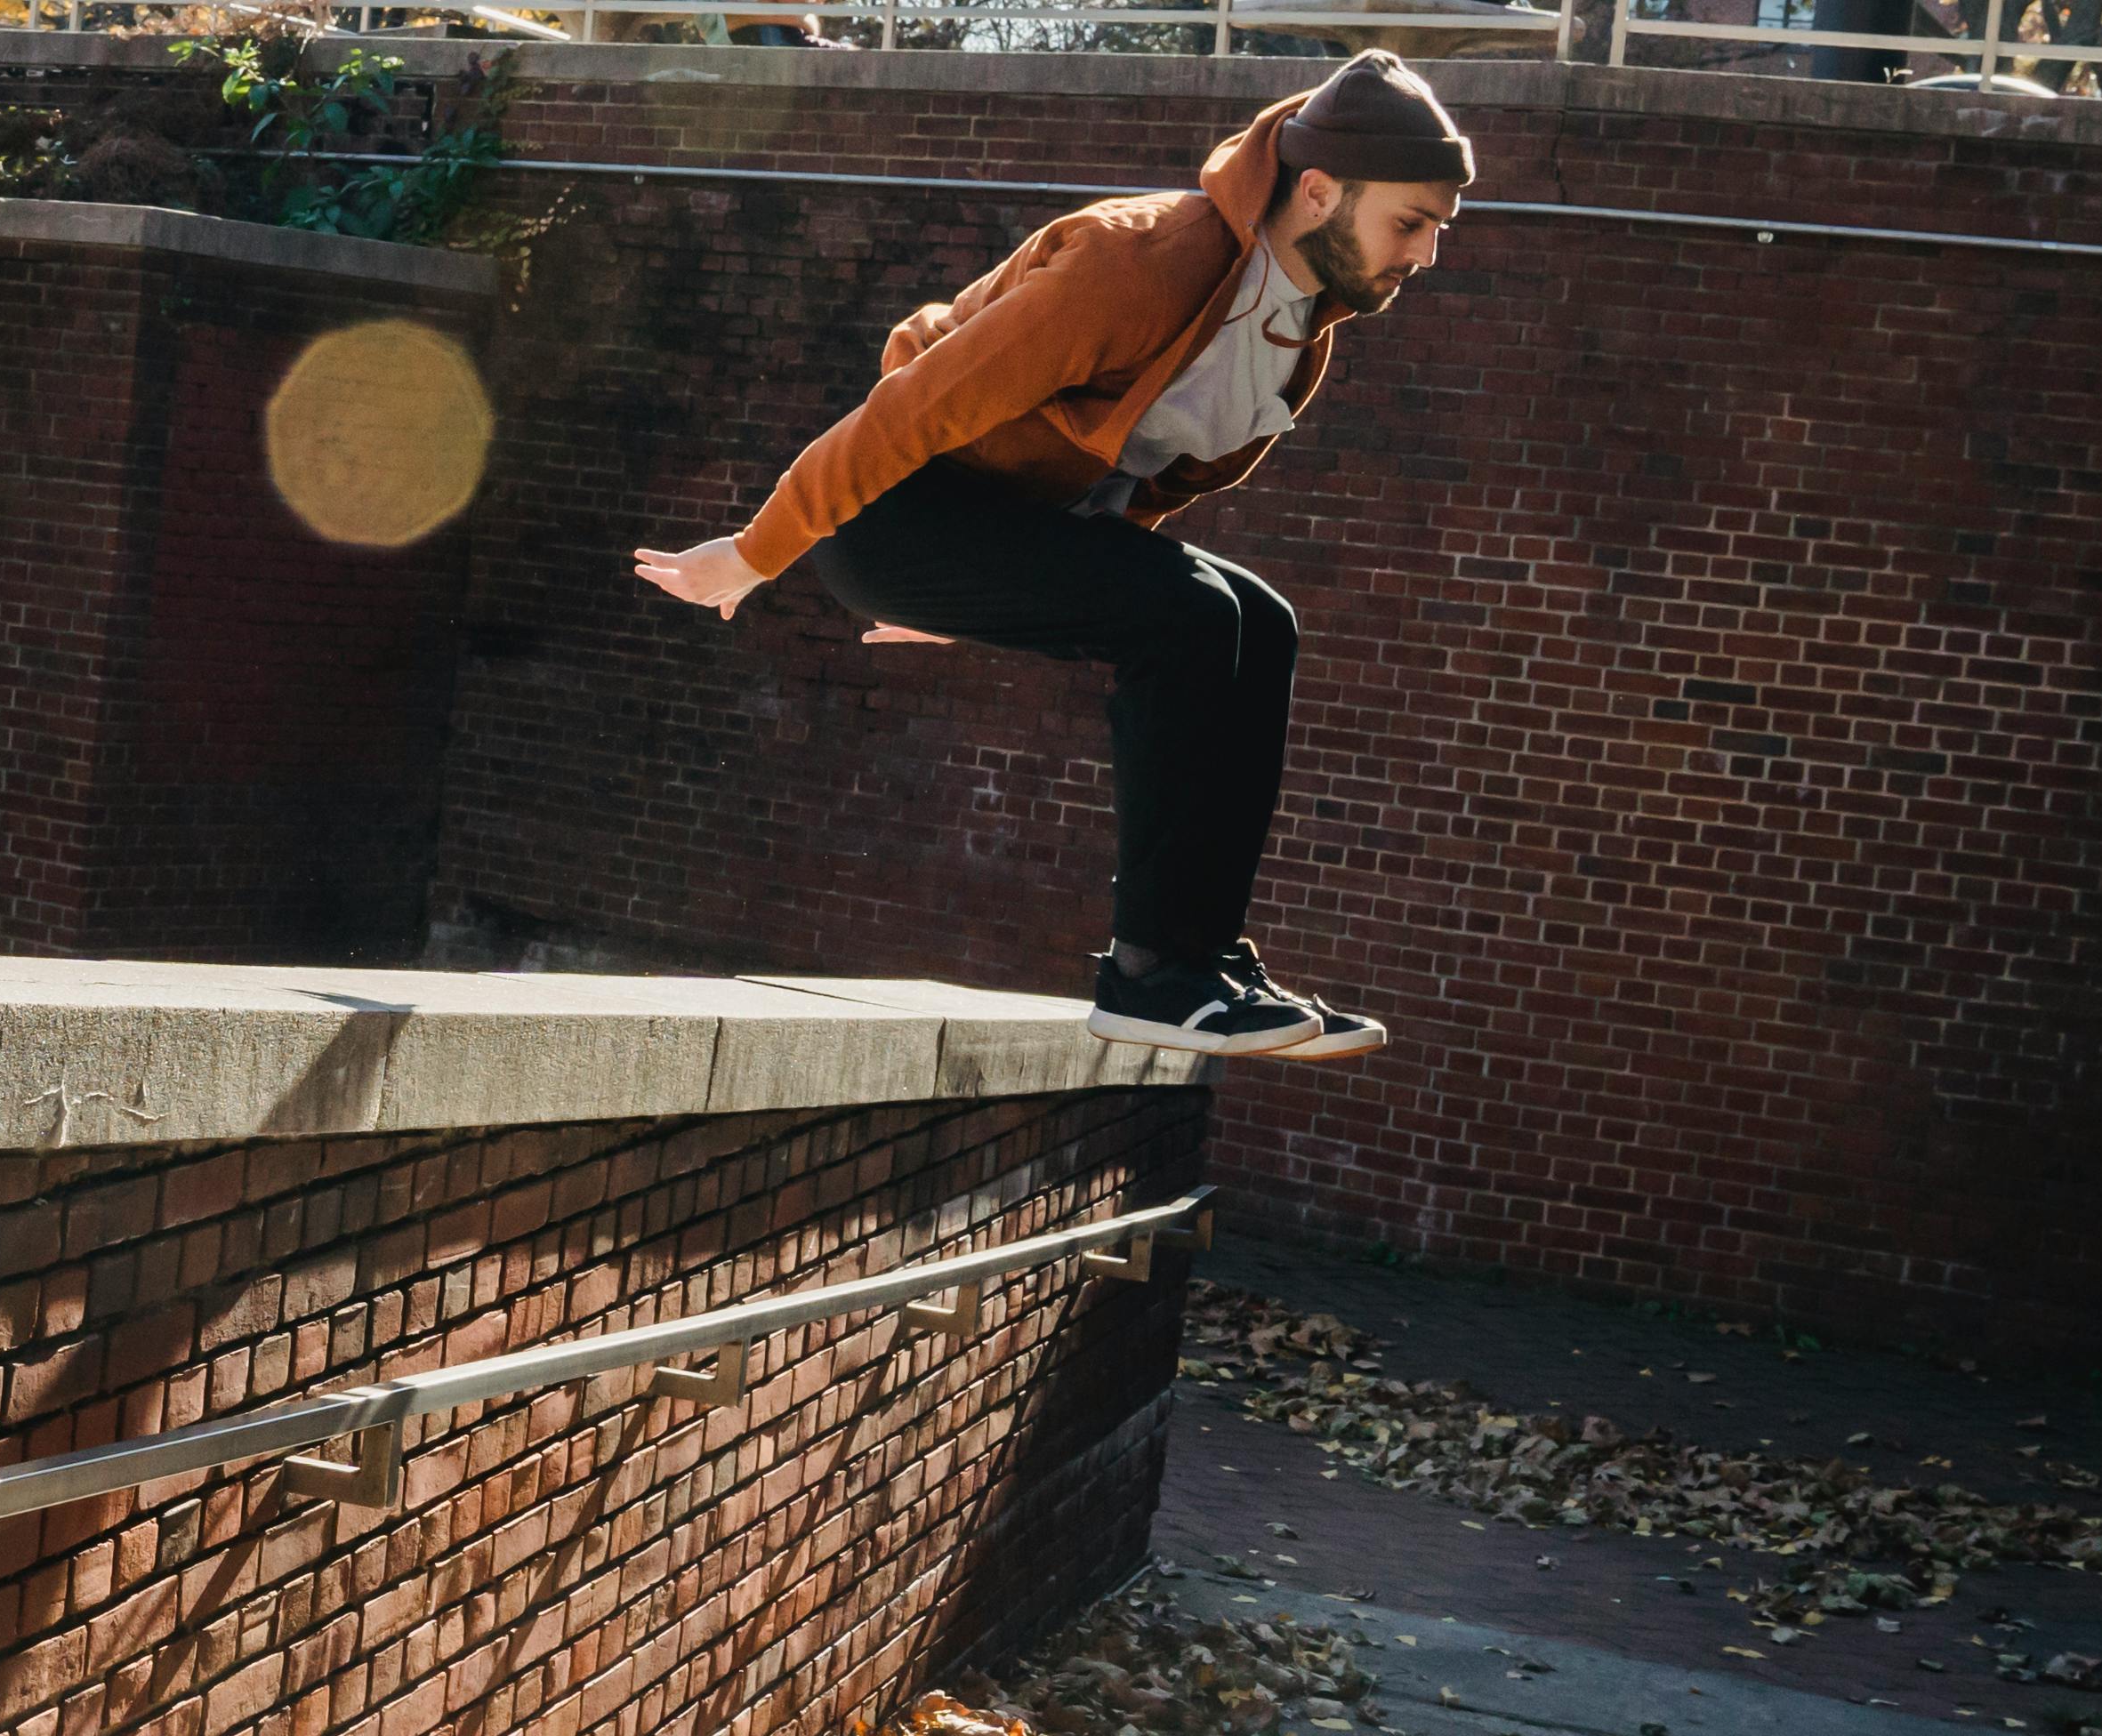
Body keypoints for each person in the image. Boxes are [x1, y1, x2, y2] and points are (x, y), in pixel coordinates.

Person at [632, 52, 1476, 1058]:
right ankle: (1152, 973)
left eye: (1435, 231)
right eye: (1410, 224)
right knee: (1196, 620)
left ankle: (1200, 957)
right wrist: (757, 552)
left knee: (1260, 622)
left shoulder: (1299, 337)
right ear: (1320, 191)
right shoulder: (1140, 261)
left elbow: (1138, 489)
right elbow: (912, 411)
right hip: (903, 510)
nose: (1423, 256)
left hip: (1005, 536)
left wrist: (1031, 593)